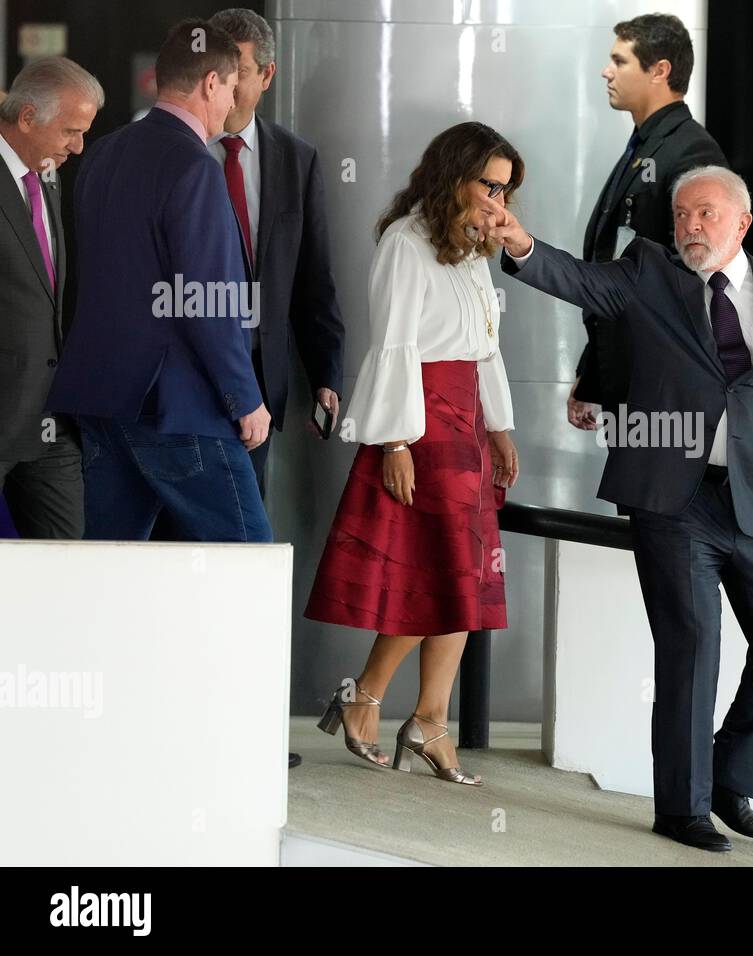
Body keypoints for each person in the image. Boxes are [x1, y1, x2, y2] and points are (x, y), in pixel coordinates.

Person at [485, 166, 753, 851]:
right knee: (692, 648)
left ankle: (729, 779)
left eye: (706, 215)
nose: (690, 226)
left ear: (741, 223)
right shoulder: (648, 273)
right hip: (672, 499)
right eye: (682, 216)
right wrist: (520, 243)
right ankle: (682, 807)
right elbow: (576, 279)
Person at [304, 123, 522, 787]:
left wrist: (500, 426)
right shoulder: (405, 241)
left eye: (507, 190)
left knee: (465, 581)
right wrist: (394, 438)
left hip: (467, 423)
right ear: (454, 173)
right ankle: (370, 699)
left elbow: (483, 344)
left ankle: (426, 717)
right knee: (443, 574)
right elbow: (393, 343)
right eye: (489, 184)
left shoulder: (476, 246)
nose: (498, 201)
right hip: (422, 422)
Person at [46, 18, 272, 543]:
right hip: (178, 407)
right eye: (232, 88)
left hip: (103, 400)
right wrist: (246, 399)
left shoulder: (103, 153)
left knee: (111, 570)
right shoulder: (194, 166)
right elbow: (206, 299)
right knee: (248, 566)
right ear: (211, 83)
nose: (232, 104)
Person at [567, 13, 728, 453]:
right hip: (633, 373)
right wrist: (595, 370)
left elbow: (698, 276)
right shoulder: (645, 146)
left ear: (660, 70)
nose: (606, 71)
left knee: (659, 517)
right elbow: (621, 271)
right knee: (642, 517)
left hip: (662, 383)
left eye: (620, 61)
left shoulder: (691, 150)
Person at [207, 8, 345, 497]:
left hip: (258, 380)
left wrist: (326, 374)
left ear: (267, 75)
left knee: (244, 526)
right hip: (180, 381)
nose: (221, 83)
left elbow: (313, 278)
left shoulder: (295, 158)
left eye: (237, 72)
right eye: (214, 69)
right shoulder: (175, 148)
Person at [0, 56, 101, 539]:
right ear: (26, 117)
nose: (78, 147)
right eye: (70, 132)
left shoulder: (47, 175)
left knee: (65, 566)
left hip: (50, 420)